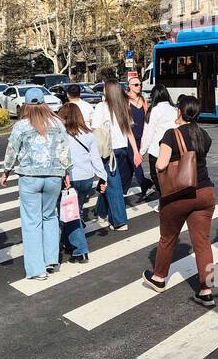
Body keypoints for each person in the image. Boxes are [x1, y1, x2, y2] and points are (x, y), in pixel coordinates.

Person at [143, 95, 217, 308]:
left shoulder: (171, 135)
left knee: (168, 238)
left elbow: (161, 165)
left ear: (179, 112)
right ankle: (208, 288)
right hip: (205, 192)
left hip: (179, 195)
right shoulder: (204, 135)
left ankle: (158, 278)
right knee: (203, 242)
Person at [0, 88, 72, 282]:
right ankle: (51, 260)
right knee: (50, 216)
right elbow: (65, 150)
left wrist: (6, 171)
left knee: (31, 221)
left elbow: (12, 150)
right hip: (53, 175)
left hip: (29, 176)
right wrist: (67, 172)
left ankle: (36, 269)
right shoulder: (57, 123)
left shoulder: (21, 126)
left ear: (26, 105)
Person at [59, 103, 106, 264]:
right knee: (73, 212)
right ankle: (68, 242)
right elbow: (96, 159)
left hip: (69, 179)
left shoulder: (61, 135)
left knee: (71, 215)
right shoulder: (88, 134)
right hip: (86, 179)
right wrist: (103, 178)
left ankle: (80, 250)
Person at [90, 79, 137, 231]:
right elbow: (129, 131)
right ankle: (101, 212)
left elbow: (95, 130)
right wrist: (135, 151)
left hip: (108, 152)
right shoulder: (123, 107)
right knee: (109, 181)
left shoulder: (101, 107)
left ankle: (119, 221)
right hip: (122, 149)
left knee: (113, 185)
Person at [139, 84, 178, 201]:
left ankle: (166, 200)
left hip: (157, 150)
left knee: (156, 176)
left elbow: (148, 134)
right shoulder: (175, 109)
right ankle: (170, 198)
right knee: (171, 176)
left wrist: (141, 151)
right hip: (173, 149)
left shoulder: (154, 111)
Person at [124, 74, 154, 200]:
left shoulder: (143, 99)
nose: (139, 86)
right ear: (129, 87)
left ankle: (125, 188)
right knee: (134, 162)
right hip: (129, 136)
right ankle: (145, 185)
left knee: (131, 163)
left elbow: (147, 118)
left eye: (140, 84)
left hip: (142, 136)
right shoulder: (125, 100)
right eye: (136, 85)